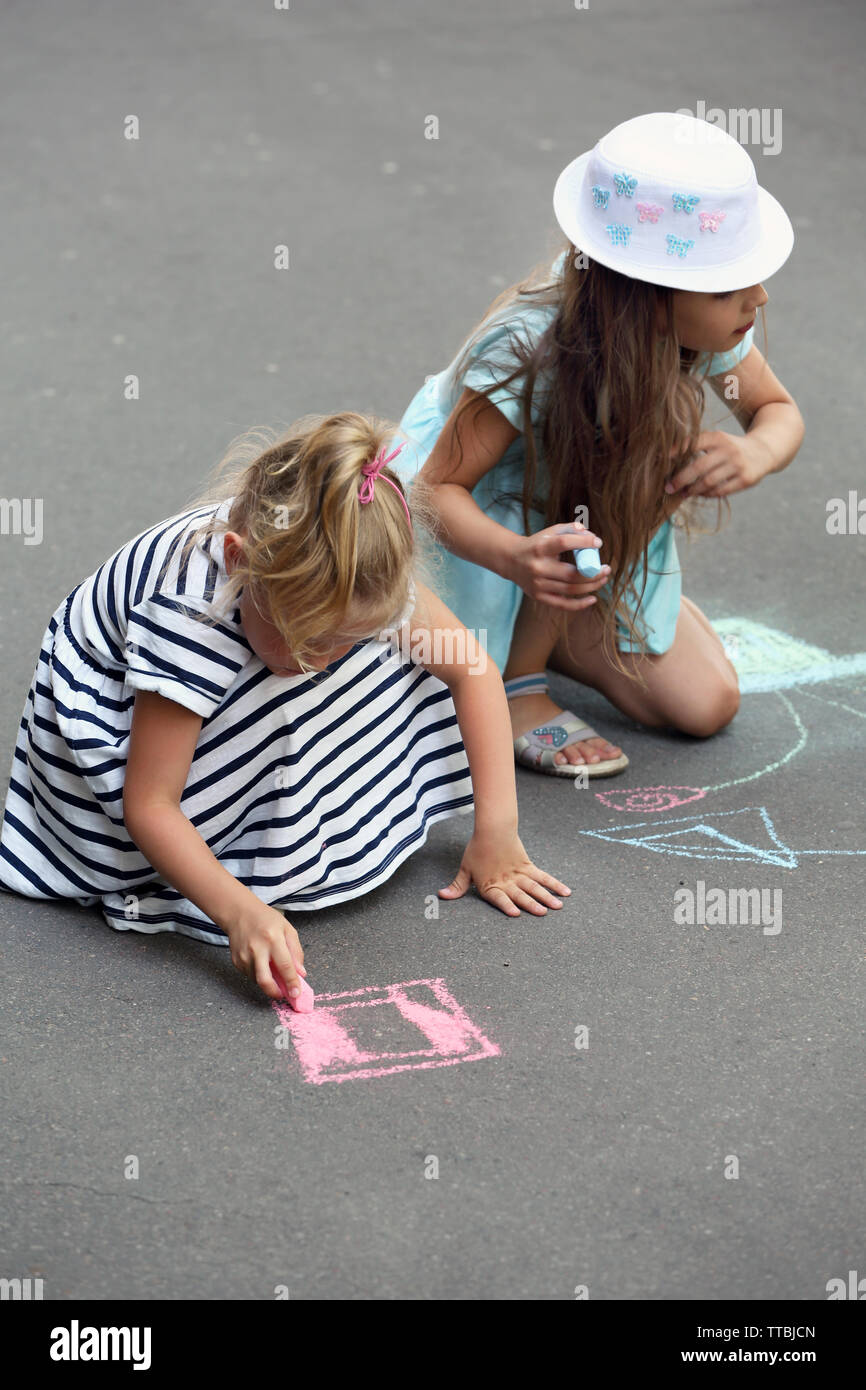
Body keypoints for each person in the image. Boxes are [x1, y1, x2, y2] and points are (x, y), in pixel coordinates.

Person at [0, 412, 570, 1002]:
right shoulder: (189, 616)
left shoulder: (362, 556)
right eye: (312, 639)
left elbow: (471, 670)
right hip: (114, 723)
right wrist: (240, 913)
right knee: (289, 684)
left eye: (344, 640)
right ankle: (236, 846)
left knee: (386, 654)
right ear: (239, 559)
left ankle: (301, 821)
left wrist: (497, 829)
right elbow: (148, 803)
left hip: (242, 649)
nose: (327, 662)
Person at [392, 111, 805, 777]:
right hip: (488, 529)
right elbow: (436, 490)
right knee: (440, 702)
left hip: (588, 523)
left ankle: (572, 609)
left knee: (707, 705)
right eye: (730, 285)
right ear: (646, 297)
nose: (758, 297)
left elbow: (778, 412)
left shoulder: (705, 327)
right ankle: (519, 679)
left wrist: (755, 452)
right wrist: (519, 559)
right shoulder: (529, 348)